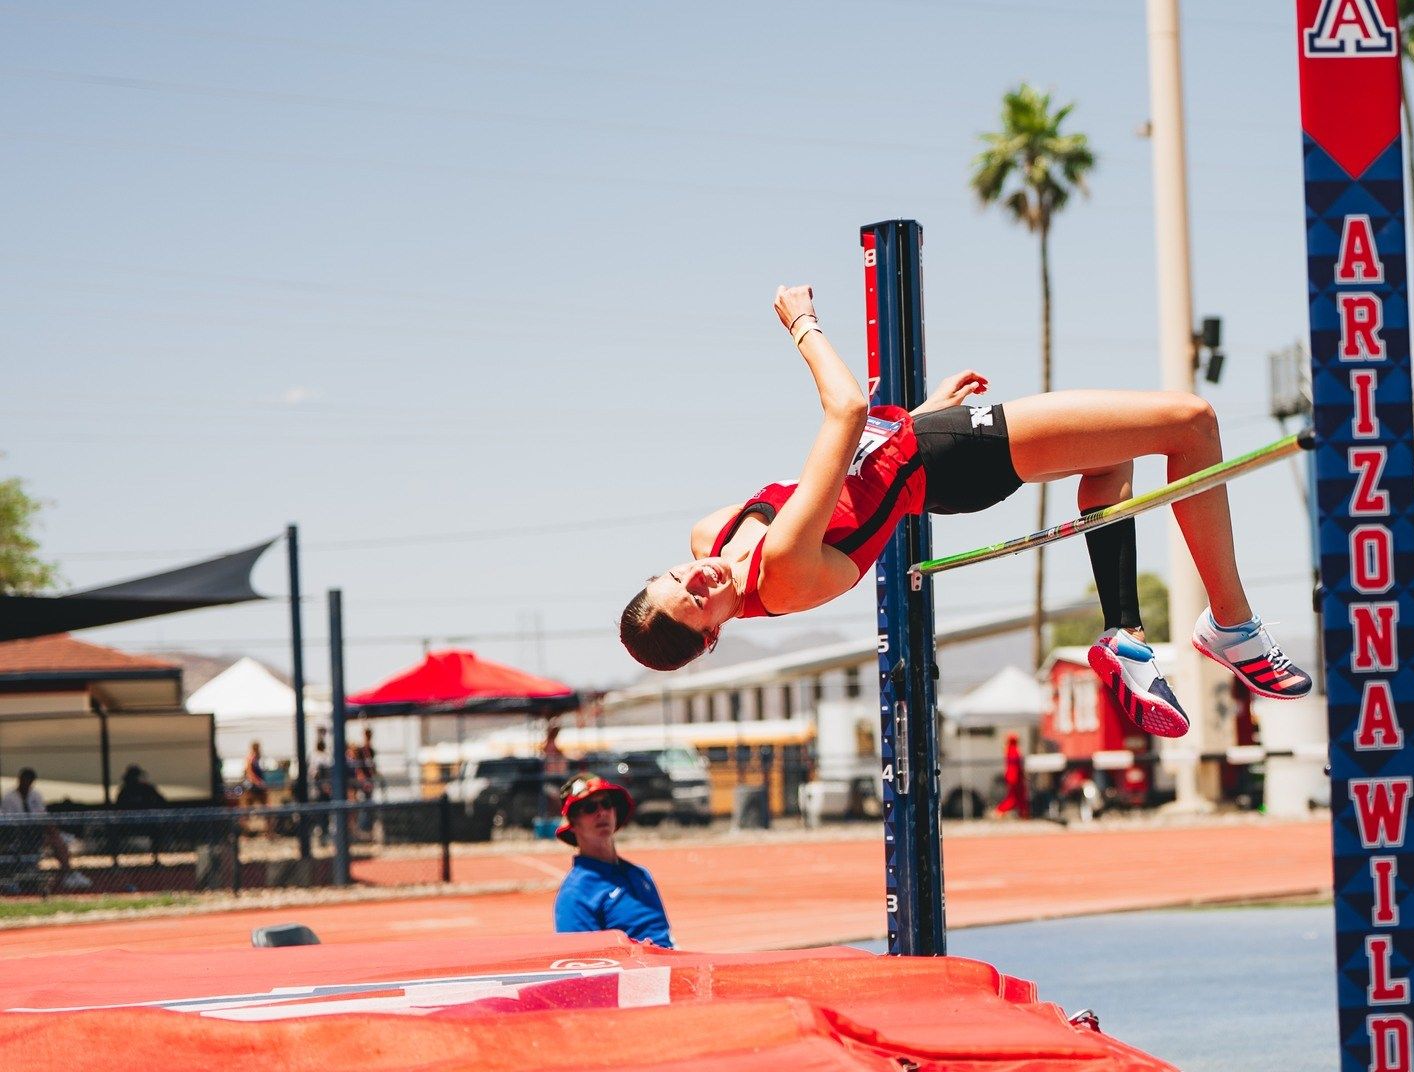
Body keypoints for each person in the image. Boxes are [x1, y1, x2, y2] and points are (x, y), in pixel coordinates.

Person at [619, 285, 1312, 739]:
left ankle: (1124, 635)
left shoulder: (711, 533)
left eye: (678, 578)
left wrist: (917, 415)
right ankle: (1230, 624)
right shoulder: (783, 575)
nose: (700, 578)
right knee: (1191, 423)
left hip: (923, 445)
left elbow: (842, 482)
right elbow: (846, 410)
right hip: (950, 459)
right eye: (699, 603)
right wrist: (803, 323)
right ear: (713, 636)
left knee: (1111, 459)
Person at [551, 773, 673, 948]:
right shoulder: (575, 894)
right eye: (590, 808)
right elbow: (582, 961)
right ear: (573, 824)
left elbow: (666, 938)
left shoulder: (641, 875)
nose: (602, 813)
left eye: (606, 804)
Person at [2, 768, 89, 890]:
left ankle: (68, 873)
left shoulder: (35, 795)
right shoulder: (9, 797)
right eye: (24, 780)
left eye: (29, 781)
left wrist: (51, 831)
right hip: (17, 835)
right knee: (51, 839)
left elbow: (42, 816)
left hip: (35, 833)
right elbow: (10, 823)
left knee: (58, 841)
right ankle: (66, 873)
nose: (26, 783)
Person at [114, 764, 168, 866]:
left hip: (146, 822)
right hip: (128, 824)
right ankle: (116, 861)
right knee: (113, 831)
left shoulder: (147, 788)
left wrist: (153, 811)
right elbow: (118, 808)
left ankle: (155, 859)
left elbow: (162, 801)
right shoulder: (124, 791)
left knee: (156, 830)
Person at [993, 732, 1028, 819]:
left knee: (1020, 796)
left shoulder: (1010, 750)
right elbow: (1015, 766)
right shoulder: (1013, 750)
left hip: (1015, 777)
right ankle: (1000, 810)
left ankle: (1023, 813)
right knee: (1013, 797)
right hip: (1015, 778)